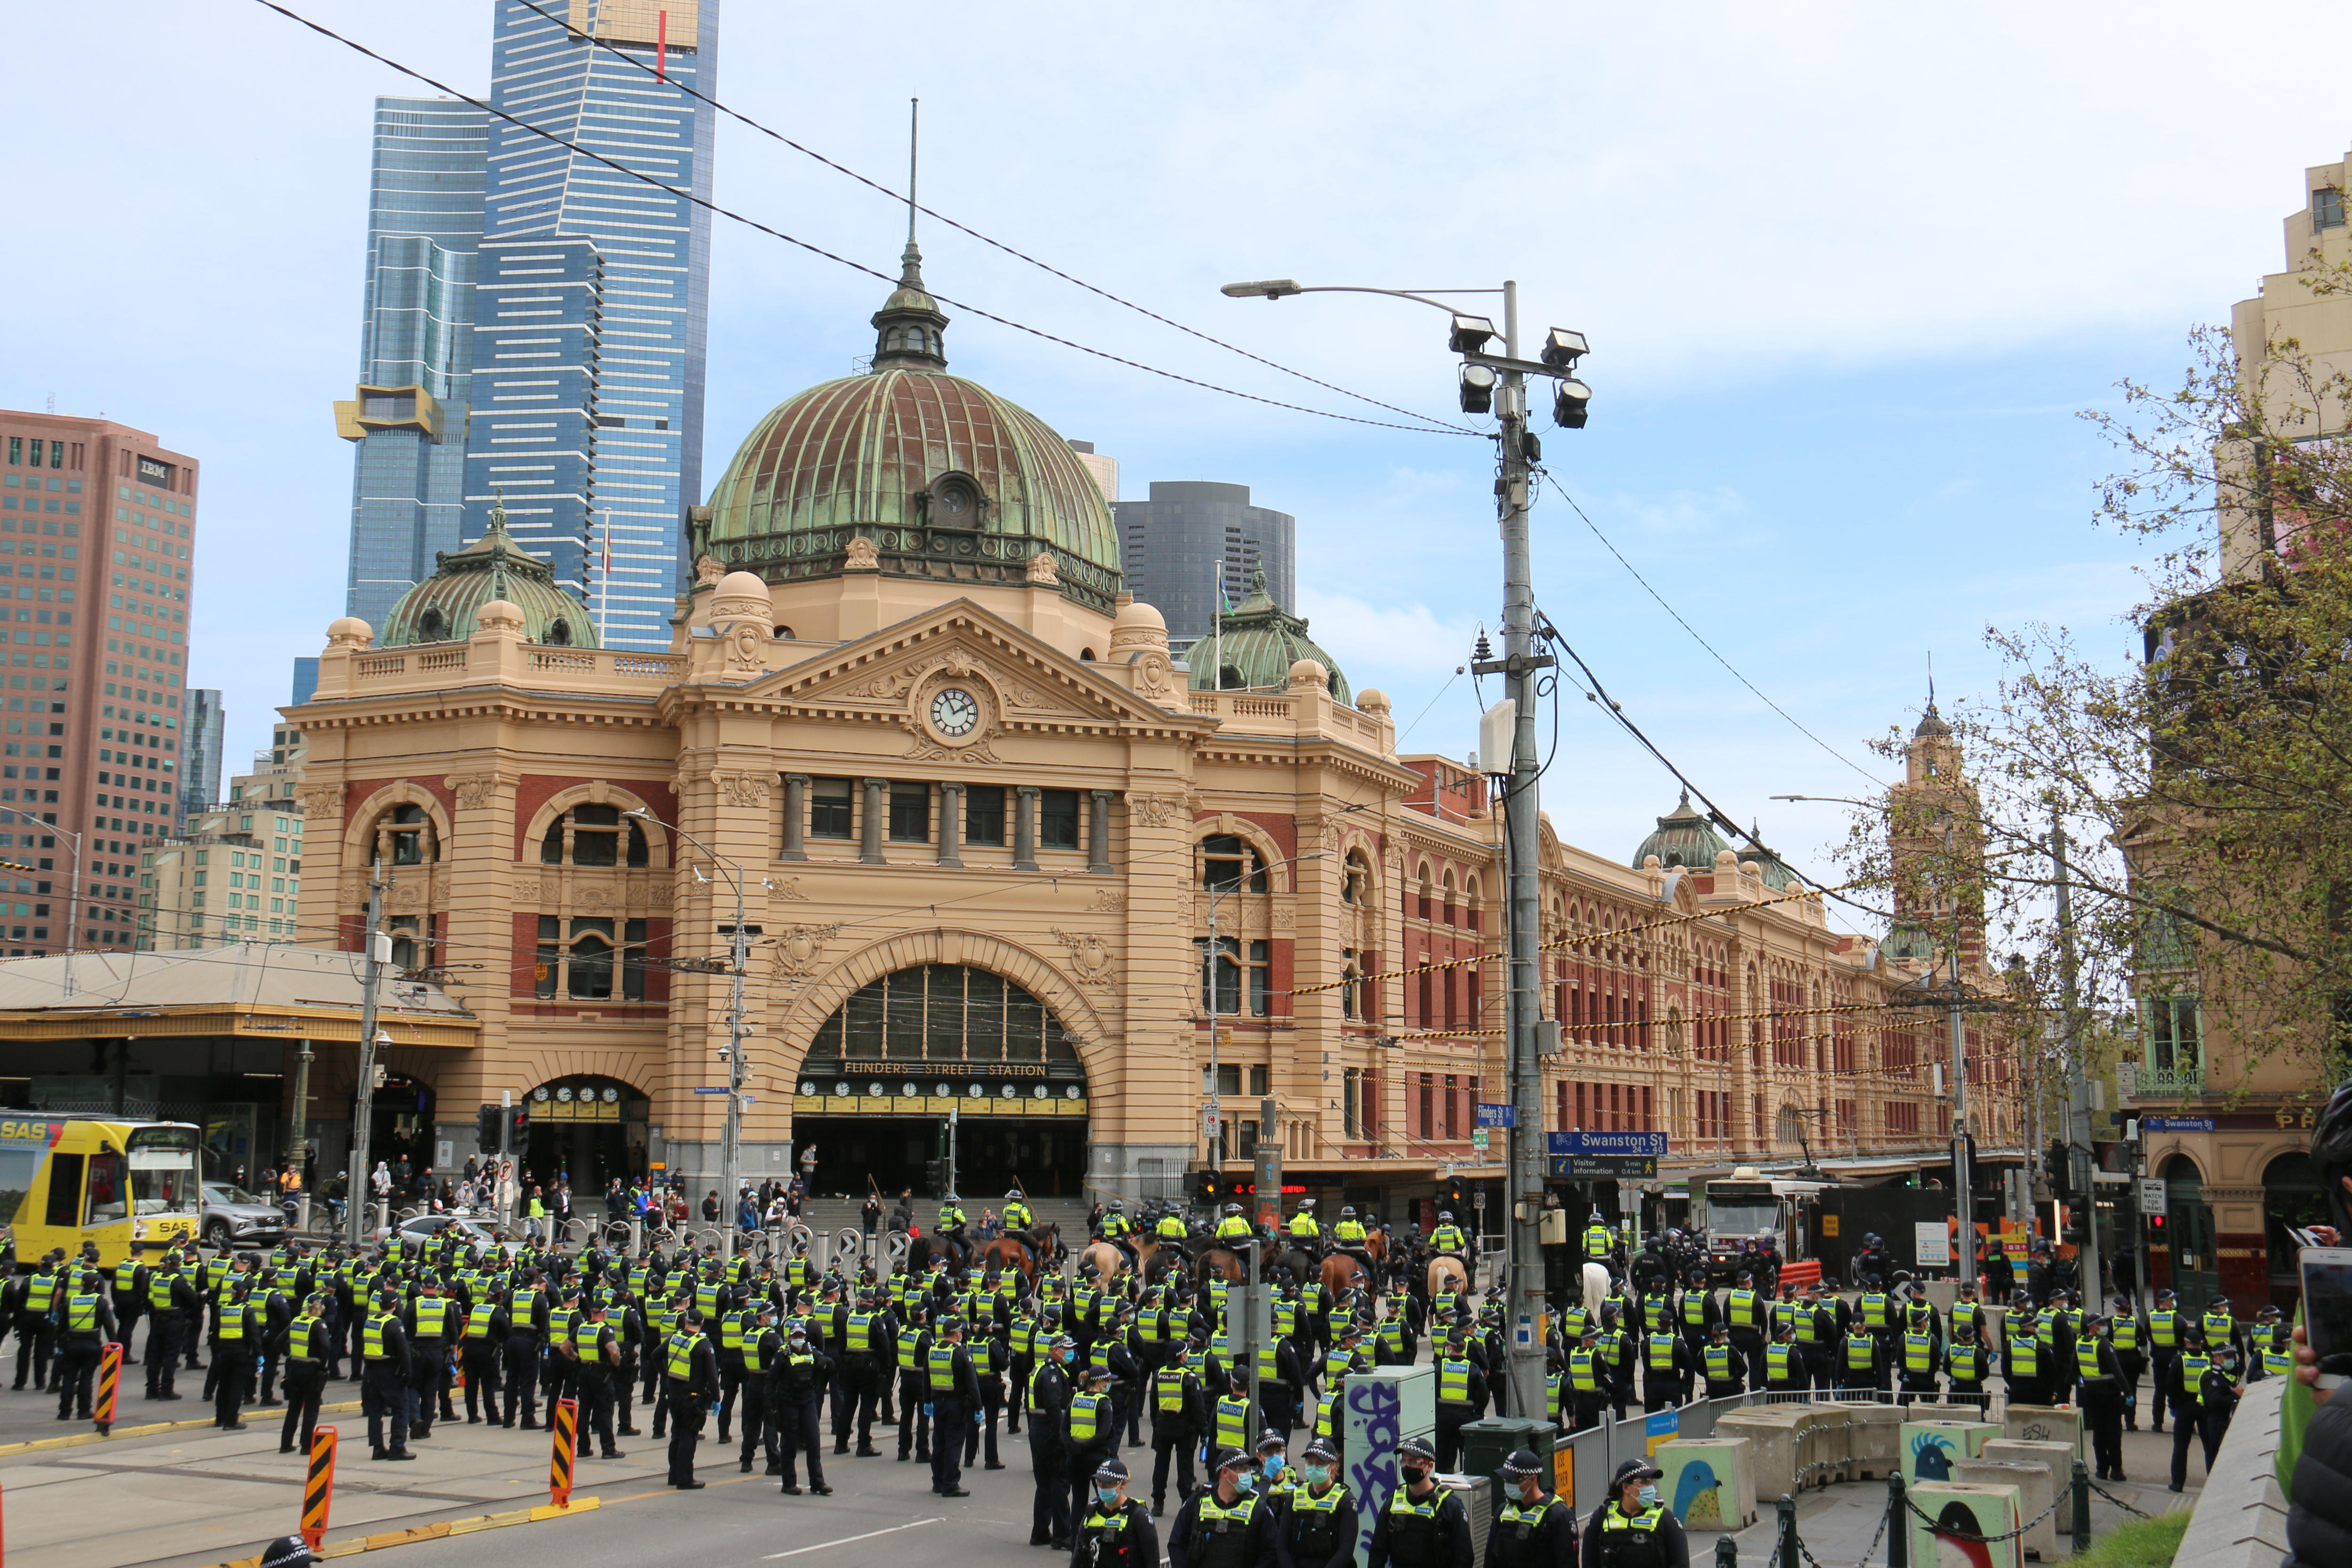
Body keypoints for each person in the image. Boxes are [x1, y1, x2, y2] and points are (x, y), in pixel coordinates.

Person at [1367, 1434, 1472, 1568]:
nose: (1406, 1466)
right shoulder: (1392, 1503)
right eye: (1404, 1462)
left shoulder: (1450, 1506)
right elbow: (1377, 1553)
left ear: (1429, 1466)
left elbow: (1464, 1557)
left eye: (1413, 1462)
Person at [1169, 1445, 1278, 1568]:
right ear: (1225, 1472)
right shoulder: (1197, 1501)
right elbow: (1176, 1543)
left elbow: (1271, 1551)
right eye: (1242, 1470)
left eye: (1248, 1470)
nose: (1248, 1475)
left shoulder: (1259, 1508)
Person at [1583, 1457, 1687, 1568]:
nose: (1650, 1487)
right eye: (1644, 1482)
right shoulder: (1601, 1518)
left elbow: (1682, 1564)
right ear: (1626, 1488)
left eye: (1651, 1482)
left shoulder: (1666, 1519)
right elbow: (1589, 1563)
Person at [1486, 1447, 1577, 1568]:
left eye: (1513, 1480)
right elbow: (1491, 1559)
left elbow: (1568, 1562)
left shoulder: (1558, 1516)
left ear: (1533, 1479)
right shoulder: (1503, 1512)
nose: (1508, 1484)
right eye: (1505, 1480)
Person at [772, 1321, 834, 1495]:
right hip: (789, 1402)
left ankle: (817, 1483)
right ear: (790, 1337)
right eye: (795, 1337)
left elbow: (826, 1362)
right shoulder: (782, 1355)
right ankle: (789, 1483)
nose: (799, 1339)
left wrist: (826, 1363)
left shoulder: (811, 1351)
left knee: (814, 1442)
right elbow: (771, 1381)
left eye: (801, 1336)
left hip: (808, 1401)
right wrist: (771, 1407)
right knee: (790, 1444)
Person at [928, 1313, 984, 1499]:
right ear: (957, 1334)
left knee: (939, 1443)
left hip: (938, 1403)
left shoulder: (933, 1350)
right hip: (956, 1404)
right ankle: (951, 1484)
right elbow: (972, 1383)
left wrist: (928, 1401)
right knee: (954, 1443)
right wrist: (978, 1407)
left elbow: (925, 1379)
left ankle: (938, 1481)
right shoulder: (960, 1354)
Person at [50, 1270, 119, 1423]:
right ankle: (84, 1411)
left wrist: (60, 1343)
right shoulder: (100, 1301)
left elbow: (61, 1326)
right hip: (92, 1345)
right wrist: (115, 1343)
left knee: (69, 1379)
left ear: (81, 1284)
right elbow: (109, 1326)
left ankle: (64, 1412)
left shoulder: (71, 1300)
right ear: (96, 1285)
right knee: (86, 1379)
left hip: (72, 1345)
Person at [663, 1308, 719, 1489]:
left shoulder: (675, 1338)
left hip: (674, 1394)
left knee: (676, 1434)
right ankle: (685, 1479)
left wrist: (667, 1375)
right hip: (692, 1398)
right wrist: (717, 1399)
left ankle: (674, 1475)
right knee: (689, 1436)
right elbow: (712, 1376)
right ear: (701, 1324)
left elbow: (656, 1356)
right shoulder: (703, 1344)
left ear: (685, 1322)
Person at [1282, 1437, 1359, 1568]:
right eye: (1310, 1462)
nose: (1314, 1467)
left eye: (1320, 1463)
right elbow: (1282, 1545)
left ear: (1332, 1465)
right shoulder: (1295, 1497)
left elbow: (1346, 1550)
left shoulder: (1345, 1501)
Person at [1030, 1333, 1076, 1551]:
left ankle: (1040, 1532)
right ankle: (1062, 1535)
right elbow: (1054, 1408)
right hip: (1050, 1432)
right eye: (1067, 1349)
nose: (1070, 1353)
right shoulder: (1052, 1375)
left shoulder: (1040, 1368)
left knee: (1044, 1484)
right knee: (1059, 1482)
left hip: (1038, 1430)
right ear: (1056, 1351)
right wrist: (1063, 1435)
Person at [358, 1289, 415, 1461]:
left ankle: (377, 1448)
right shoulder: (394, 1324)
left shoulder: (369, 1322)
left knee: (376, 1410)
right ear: (396, 1305)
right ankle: (397, 1447)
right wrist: (408, 1373)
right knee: (401, 1409)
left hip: (371, 1370)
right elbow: (404, 1351)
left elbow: (364, 1346)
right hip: (390, 1371)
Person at [1073, 1455, 1161, 1568]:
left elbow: (1153, 1562)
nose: (1102, 1487)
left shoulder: (1138, 1516)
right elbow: (1077, 1558)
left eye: (1108, 1483)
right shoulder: (1091, 1513)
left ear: (1123, 1484)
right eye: (1099, 1482)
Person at [276, 1292, 334, 1453]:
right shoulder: (318, 1324)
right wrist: (322, 1364)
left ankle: (285, 1445)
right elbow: (326, 1346)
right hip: (311, 1370)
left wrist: (290, 1354)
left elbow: (279, 1341)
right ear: (319, 1308)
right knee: (311, 1408)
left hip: (294, 1369)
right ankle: (307, 1445)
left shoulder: (296, 1322)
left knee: (294, 1408)